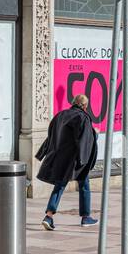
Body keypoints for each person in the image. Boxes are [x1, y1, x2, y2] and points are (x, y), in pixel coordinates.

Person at [35, 93, 99, 230]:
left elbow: (51, 136)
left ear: (73, 103)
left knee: (59, 186)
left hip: (61, 158)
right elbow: (86, 140)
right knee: (84, 185)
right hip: (76, 161)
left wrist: (42, 153)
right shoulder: (83, 117)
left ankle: (49, 216)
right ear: (85, 106)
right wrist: (96, 135)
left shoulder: (60, 115)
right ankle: (86, 217)